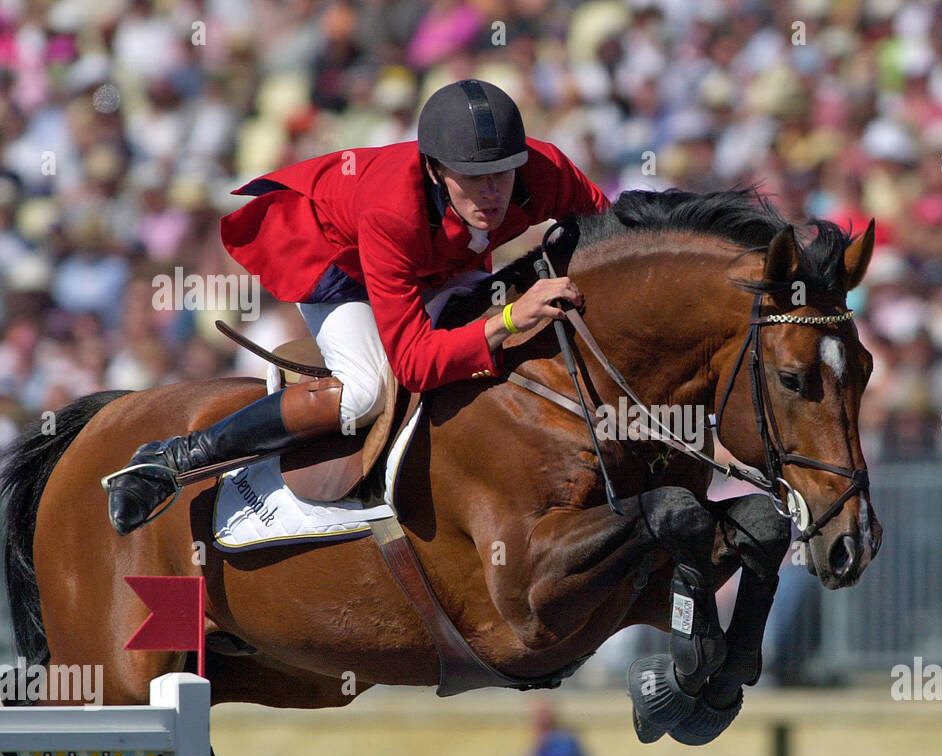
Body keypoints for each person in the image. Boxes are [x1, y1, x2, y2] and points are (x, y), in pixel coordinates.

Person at [105, 79, 610, 534]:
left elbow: (616, 243)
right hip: (334, 258)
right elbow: (413, 362)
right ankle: (177, 457)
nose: (493, 191)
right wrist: (508, 318)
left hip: (437, 257)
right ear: (434, 170)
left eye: (502, 172)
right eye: (473, 177)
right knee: (365, 393)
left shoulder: (545, 170)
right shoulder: (394, 208)